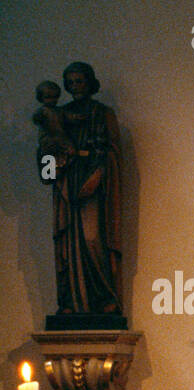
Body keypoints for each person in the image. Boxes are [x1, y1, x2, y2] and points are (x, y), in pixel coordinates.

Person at [46, 61, 122, 315]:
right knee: (68, 242)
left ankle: (103, 299)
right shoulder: (58, 115)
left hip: (93, 182)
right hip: (67, 180)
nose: (75, 86)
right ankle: (69, 301)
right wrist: (50, 162)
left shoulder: (102, 113)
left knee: (92, 239)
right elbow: (47, 157)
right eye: (70, 82)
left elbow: (111, 152)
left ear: (90, 82)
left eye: (79, 81)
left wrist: (97, 176)